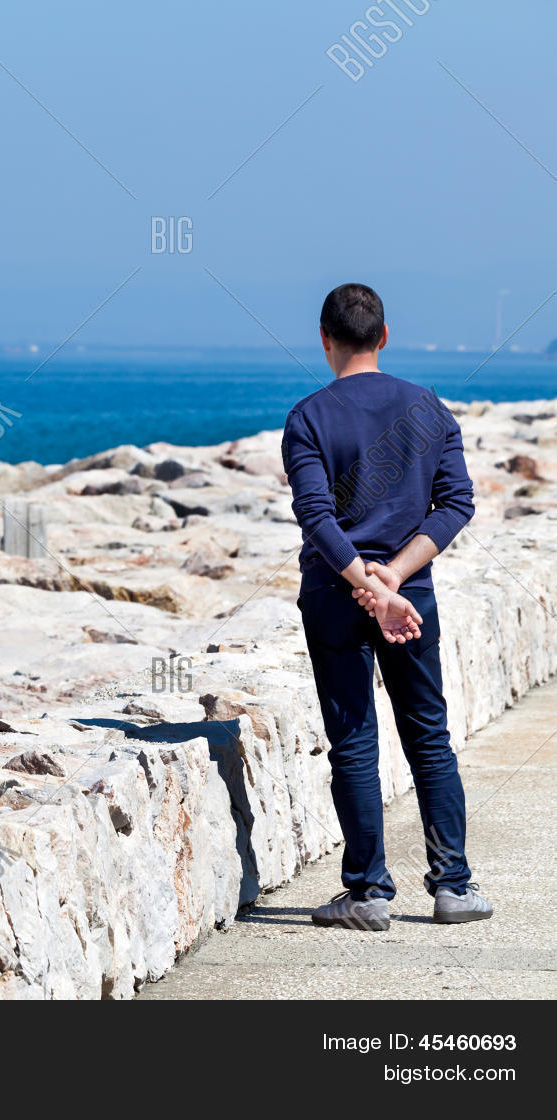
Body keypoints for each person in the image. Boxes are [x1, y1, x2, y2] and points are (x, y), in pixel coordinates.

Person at [281, 282, 492, 931]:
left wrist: (366, 585)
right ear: (384, 335)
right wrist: (393, 580)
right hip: (411, 598)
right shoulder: (427, 407)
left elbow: (315, 517)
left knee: (353, 739)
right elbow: (457, 503)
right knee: (428, 734)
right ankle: (452, 886)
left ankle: (368, 892)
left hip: (333, 592)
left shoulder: (308, 417)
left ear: (325, 340)